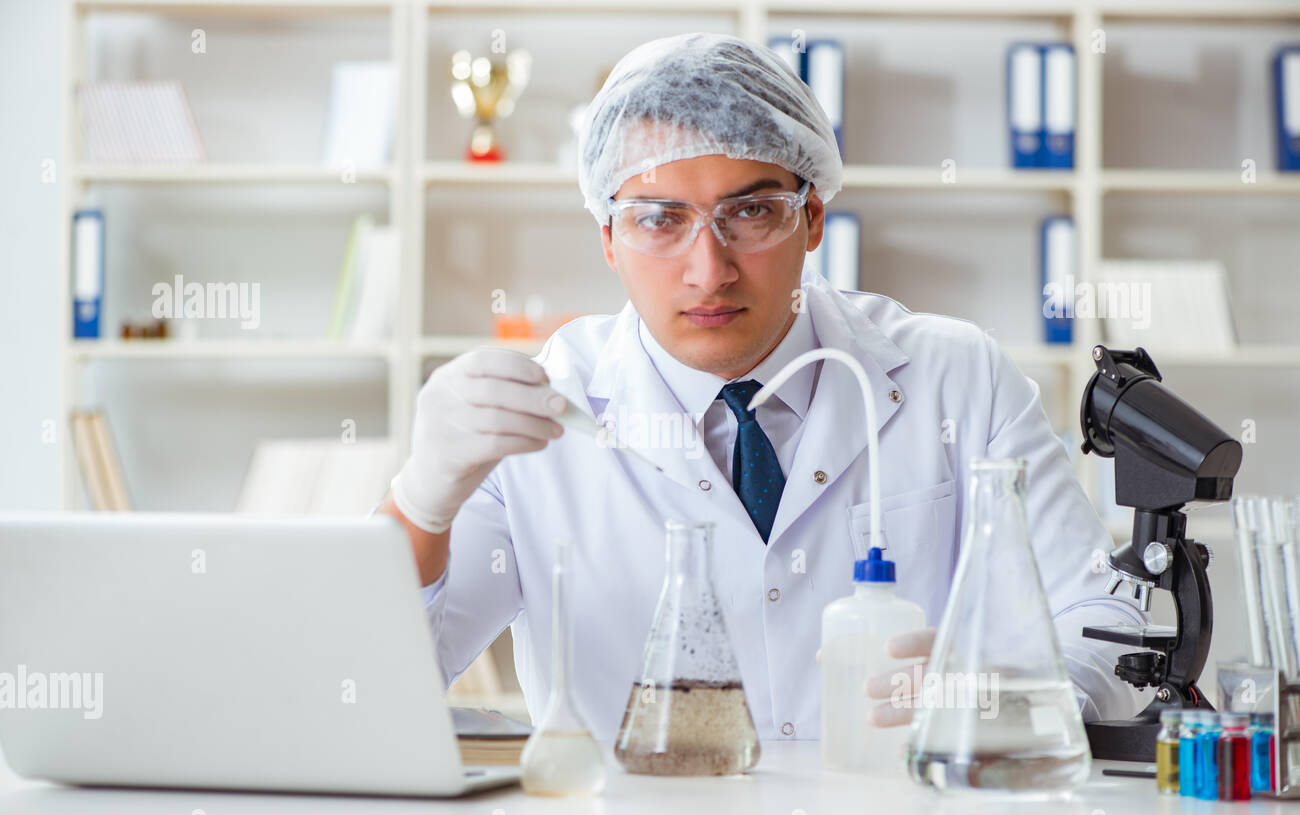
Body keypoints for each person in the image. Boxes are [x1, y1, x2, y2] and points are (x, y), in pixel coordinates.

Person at [375, 33, 1154, 741]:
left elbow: (1112, 627)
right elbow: (385, 682)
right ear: (608, 237)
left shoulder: (959, 378)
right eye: (658, 219)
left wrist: (1010, 695)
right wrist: (419, 502)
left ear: (813, 217)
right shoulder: (537, 415)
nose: (708, 269)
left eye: (750, 212)